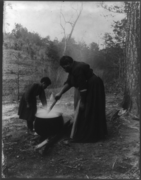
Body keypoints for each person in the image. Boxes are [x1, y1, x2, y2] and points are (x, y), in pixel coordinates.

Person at [55, 56, 107, 143]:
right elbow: (70, 83)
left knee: (90, 108)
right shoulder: (72, 69)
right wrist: (60, 93)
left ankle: (93, 133)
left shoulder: (77, 69)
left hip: (94, 86)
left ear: (69, 64)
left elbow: (83, 88)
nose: (64, 70)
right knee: (86, 109)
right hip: (89, 86)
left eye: (64, 67)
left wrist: (82, 102)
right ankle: (86, 129)